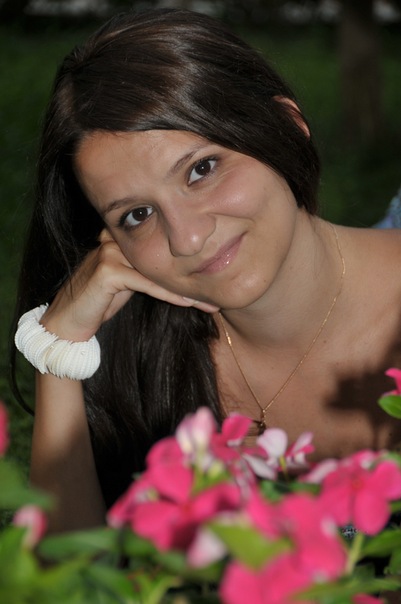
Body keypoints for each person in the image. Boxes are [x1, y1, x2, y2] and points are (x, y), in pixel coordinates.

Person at [11, 8, 401, 533]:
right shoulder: (141, 358)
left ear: (287, 126)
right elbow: (65, 573)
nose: (188, 237)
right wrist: (58, 354)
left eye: (201, 169)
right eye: (137, 215)